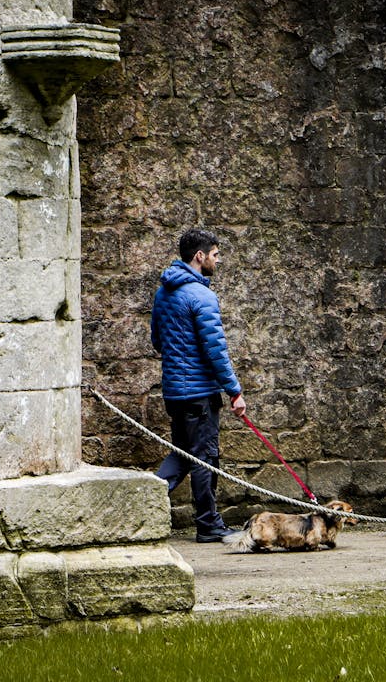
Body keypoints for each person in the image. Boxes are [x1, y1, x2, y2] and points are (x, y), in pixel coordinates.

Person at [150, 228, 247, 542]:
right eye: (215, 255)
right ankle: (208, 524)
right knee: (204, 456)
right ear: (200, 256)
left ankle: (142, 500)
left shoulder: (164, 292)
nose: (218, 261)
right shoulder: (202, 296)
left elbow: (157, 341)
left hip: (175, 391)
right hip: (198, 393)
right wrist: (234, 391)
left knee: (182, 454)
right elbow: (215, 350)